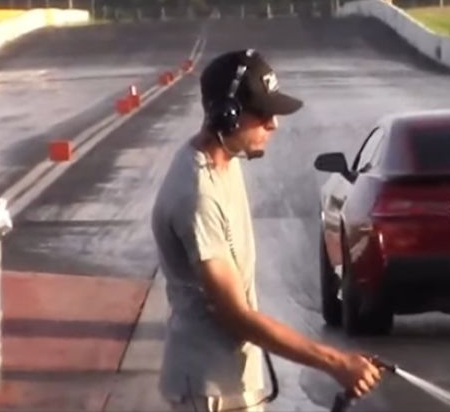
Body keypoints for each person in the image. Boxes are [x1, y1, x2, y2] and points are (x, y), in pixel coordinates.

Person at [150, 48, 382, 412]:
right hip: (210, 390)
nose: (274, 124)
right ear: (227, 115)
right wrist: (336, 363)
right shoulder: (197, 194)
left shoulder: (224, 165)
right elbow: (234, 315)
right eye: (263, 113)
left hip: (232, 382)